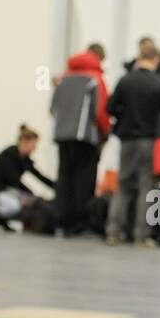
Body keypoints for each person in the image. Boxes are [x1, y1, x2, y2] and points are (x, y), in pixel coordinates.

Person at [105, 39, 160, 247]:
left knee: (123, 186)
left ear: (139, 57)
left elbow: (110, 107)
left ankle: (114, 232)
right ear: (156, 59)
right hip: (150, 141)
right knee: (147, 187)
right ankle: (141, 236)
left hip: (127, 139)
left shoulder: (125, 81)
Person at [51, 43, 111, 236]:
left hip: (62, 135)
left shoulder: (64, 78)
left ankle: (62, 221)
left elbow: (53, 109)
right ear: (99, 58)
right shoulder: (95, 79)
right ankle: (80, 224)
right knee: (84, 181)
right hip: (85, 137)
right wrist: (106, 132)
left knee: (64, 178)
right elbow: (101, 112)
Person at [0, 125, 55, 231]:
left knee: (31, 201)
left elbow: (40, 176)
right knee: (20, 204)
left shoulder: (25, 160)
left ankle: (2, 218)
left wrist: (60, 187)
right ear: (24, 141)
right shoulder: (9, 156)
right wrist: (36, 197)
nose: (35, 148)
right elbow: (15, 182)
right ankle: (1, 216)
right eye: (34, 144)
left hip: (7, 191)